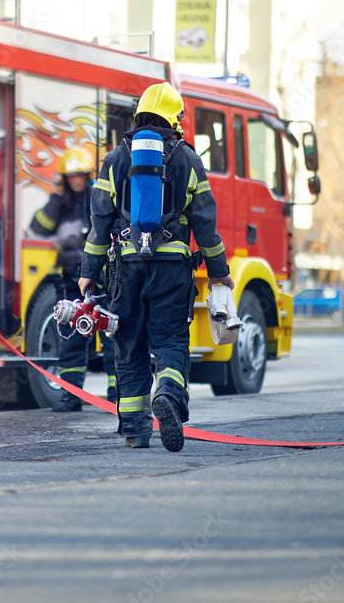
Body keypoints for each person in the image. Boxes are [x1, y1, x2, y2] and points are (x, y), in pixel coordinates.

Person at [77, 82, 233, 451]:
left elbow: (100, 220)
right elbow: (205, 223)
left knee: (129, 343)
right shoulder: (187, 158)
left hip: (126, 269)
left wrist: (88, 270)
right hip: (171, 270)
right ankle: (168, 392)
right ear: (174, 119)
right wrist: (218, 271)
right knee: (171, 340)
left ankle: (134, 429)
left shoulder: (116, 158)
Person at [28, 146, 117, 411]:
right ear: (65, 178)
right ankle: (70, 395)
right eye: (71, 176)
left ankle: (118, 394)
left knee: (113, 336)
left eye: (80, 174)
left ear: (87, 174)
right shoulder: (60, 204)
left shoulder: (98, 198)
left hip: (103, 279)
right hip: (70, 281)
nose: (77, 180)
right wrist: (56, 199)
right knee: (71, 337)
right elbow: (38, 227)